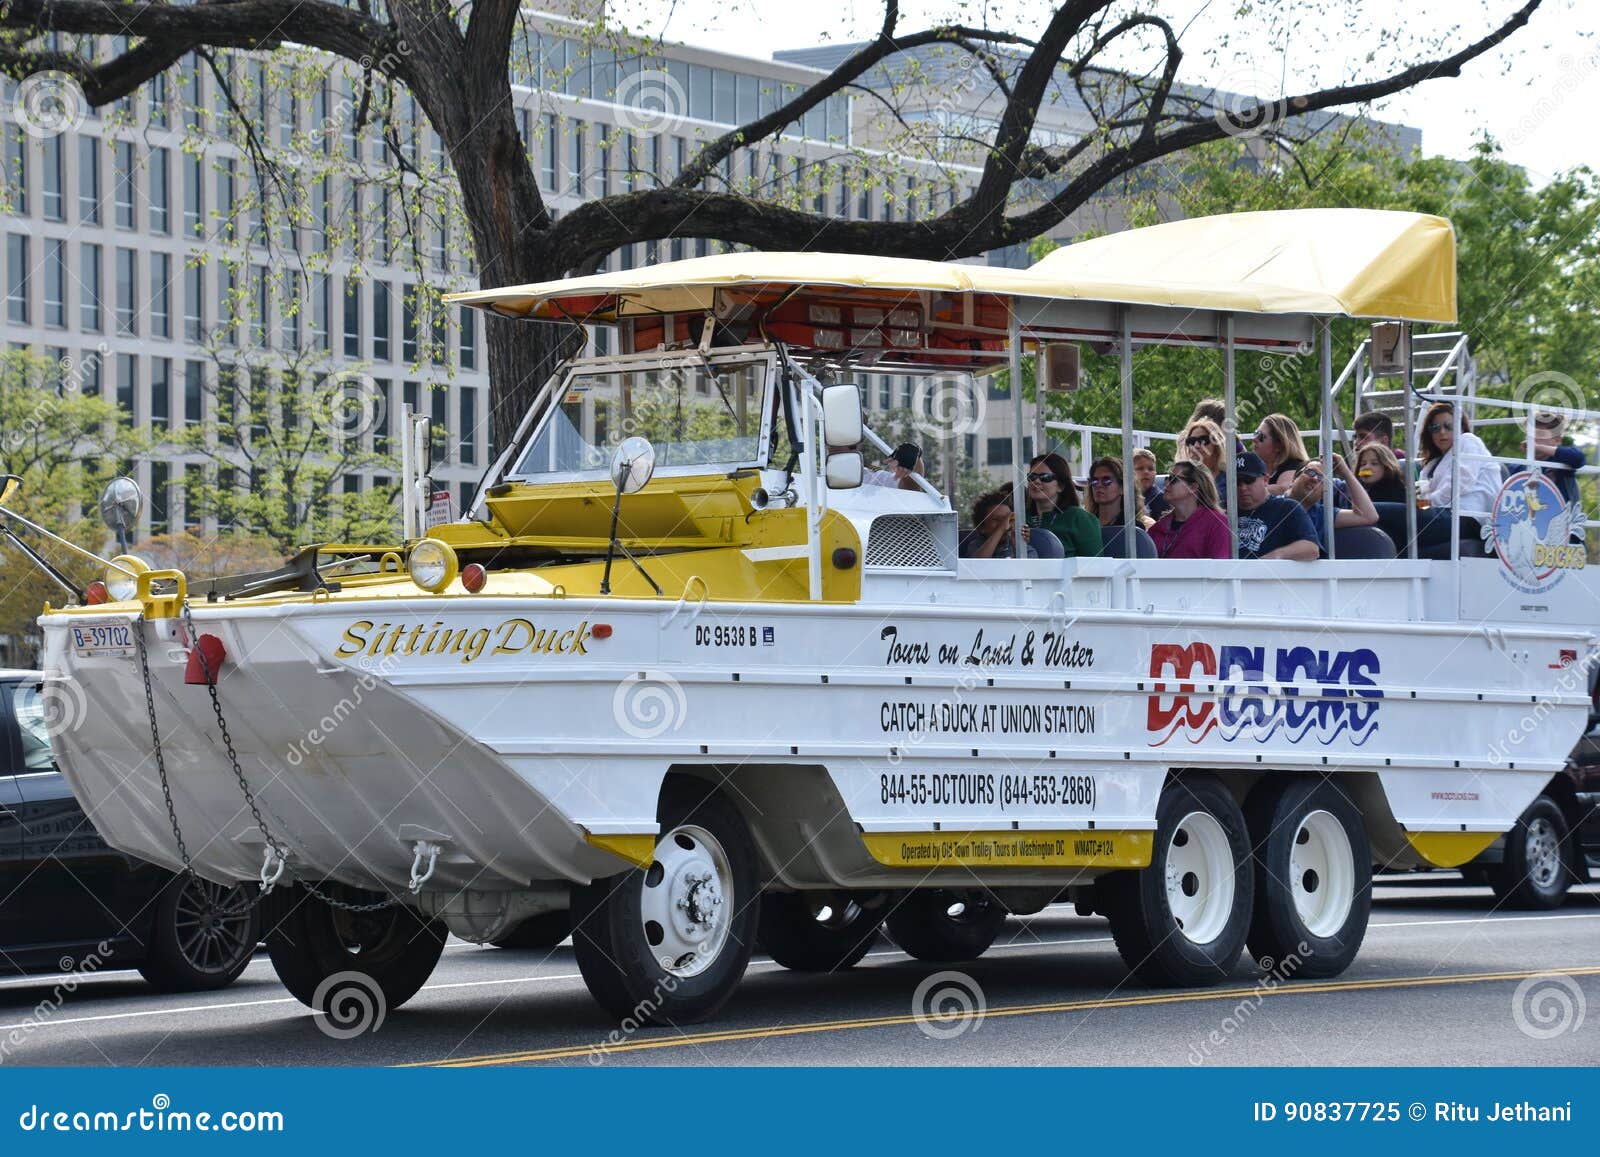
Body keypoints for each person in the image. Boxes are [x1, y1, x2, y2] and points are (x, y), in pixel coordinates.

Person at [1234, 451, 1319, 560]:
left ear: (1265, 480)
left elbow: (1311, 549)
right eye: (1236, 482)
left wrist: (1274, 557)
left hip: (1270, 575)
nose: (1242, 487)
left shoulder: (1286, 508)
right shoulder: (1225, 511)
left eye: (1248, 480)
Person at [1286, 455, 1378, 554]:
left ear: (1322, 495)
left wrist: (1345, 472)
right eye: (1310, 472)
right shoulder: (1271, 505)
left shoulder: (1322, 515)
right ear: (1293, 480)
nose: (1315, 479)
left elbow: (1369, 516)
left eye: (1322, 479)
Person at [1023, 452, 1102, 557]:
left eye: (1045, 477)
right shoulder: (1020, 518)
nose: (1036, 481)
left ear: (1061, 486)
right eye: (1032, 477)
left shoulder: (1079, 518)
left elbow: (1094, 566)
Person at [1148, 461, 1231, 559]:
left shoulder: (1216, 523)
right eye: (1167, 478)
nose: (1166, 483)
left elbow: (1220, 569)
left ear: (1193, 487)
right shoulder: (1159, 527)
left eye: (1173, 479)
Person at [1527, 410, 1587, 511]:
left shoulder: (1560, 462)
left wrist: (1538, 447)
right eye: (1531, 435)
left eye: (1540, 435)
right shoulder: (1520, 466)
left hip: (1560, 522)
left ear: (1557, 440)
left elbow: (1578, 459)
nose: (1533, 440)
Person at [1084, 456, 1152, 529]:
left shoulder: (1133, 528)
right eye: (1095, 481)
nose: (1099, 485)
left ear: (1123, 488)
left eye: (1106, 481)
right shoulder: (1084, 524)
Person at [1251, 413, 1311, 495]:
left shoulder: (1295, 465)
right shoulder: (1255, 466)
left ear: (1279, 445)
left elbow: (1283, 489)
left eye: (1260, 436)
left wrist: (1247, 489)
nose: (1254, 439)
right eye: (1255, 433)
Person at [959, 489, 1022, 558]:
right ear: (982, 527)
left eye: (1008, 519)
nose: (1005, 524)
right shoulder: (976, 545)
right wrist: (1000, 529)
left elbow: (1027, 566)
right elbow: (978, 564)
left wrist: (1016, 544)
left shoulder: (1021, 546)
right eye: (996, 519)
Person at [1176, 417, 1228, 502]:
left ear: (1216, 444)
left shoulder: (1230, 478)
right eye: (1191, 441)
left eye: (1203, 440)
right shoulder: (1184, 478)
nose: (1196, 445)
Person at [1135, 447, 1170, 520]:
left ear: (1155, 473)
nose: (1146, 472)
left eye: (1151, 469)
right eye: (1140, 468)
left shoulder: (1162, 499)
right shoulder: (1123, 496)